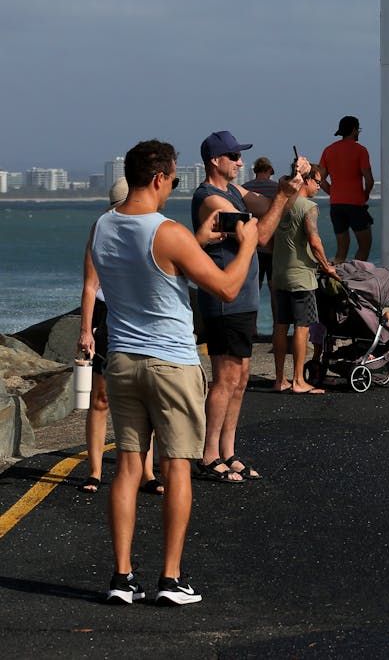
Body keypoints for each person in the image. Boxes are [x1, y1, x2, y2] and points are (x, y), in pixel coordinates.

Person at [85, 139, 276, 605]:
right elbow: (227, 289)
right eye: (172, 178)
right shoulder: (167, 231)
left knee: (129, 467)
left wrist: (202, 240)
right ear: (158, 178)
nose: (173, 185)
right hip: (170, 362)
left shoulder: (102, 227)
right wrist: (247, 244)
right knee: (177, 468)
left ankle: (122, 577)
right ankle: (170, 580)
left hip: (124, 360)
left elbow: (149, 273)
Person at [192, 130, 306, 484]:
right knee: (225, 378)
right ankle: (209, 454)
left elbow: (266, 207)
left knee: (240, 378)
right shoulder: (211, 199)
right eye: (234, 157)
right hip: (223, 301)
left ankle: (228, 451)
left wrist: (290, 183)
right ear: (216, 160)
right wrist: (283, 196)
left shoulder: (233, 192)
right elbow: (261, 235)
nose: (241, 162)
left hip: (242, 299)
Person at [77, 178, 163, 496]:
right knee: (100, 399)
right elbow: (89, 285)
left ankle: (147, 472)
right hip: (107, 320)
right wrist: (86, 331)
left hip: (140, 322)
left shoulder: (153, 230)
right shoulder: (101, 231)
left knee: (146, 400)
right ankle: (96, 471)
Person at [271, 165, 337, 394]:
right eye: (317, 182)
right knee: (302, 327)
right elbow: (314, 240)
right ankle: (298, 380)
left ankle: (280, 379)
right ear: (306, 180)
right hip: (301, 277)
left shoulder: (282, 204)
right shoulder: (308, 206)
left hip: (279, 274)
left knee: (280, 326)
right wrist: (326, 266)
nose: (319, 186)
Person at [318, 115, 375, 262]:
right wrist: (366, 194)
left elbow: (320, 178)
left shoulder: (328, 150)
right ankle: (357, 276)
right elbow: (369, 179)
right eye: (358, 130)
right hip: (355, 204)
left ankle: (337, 280)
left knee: (341, 250)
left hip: (336, 205)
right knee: (364, 245)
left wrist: (332, 192)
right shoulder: (360, 150)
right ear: (354, 130)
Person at [242, 158, 279, 290]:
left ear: (255, 171)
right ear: (269, 170)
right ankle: (276, 312)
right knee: (275, 289)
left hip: (251, 247)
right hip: (273, 245)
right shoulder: (277, 189)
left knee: (253, 288)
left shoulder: (244, 189)